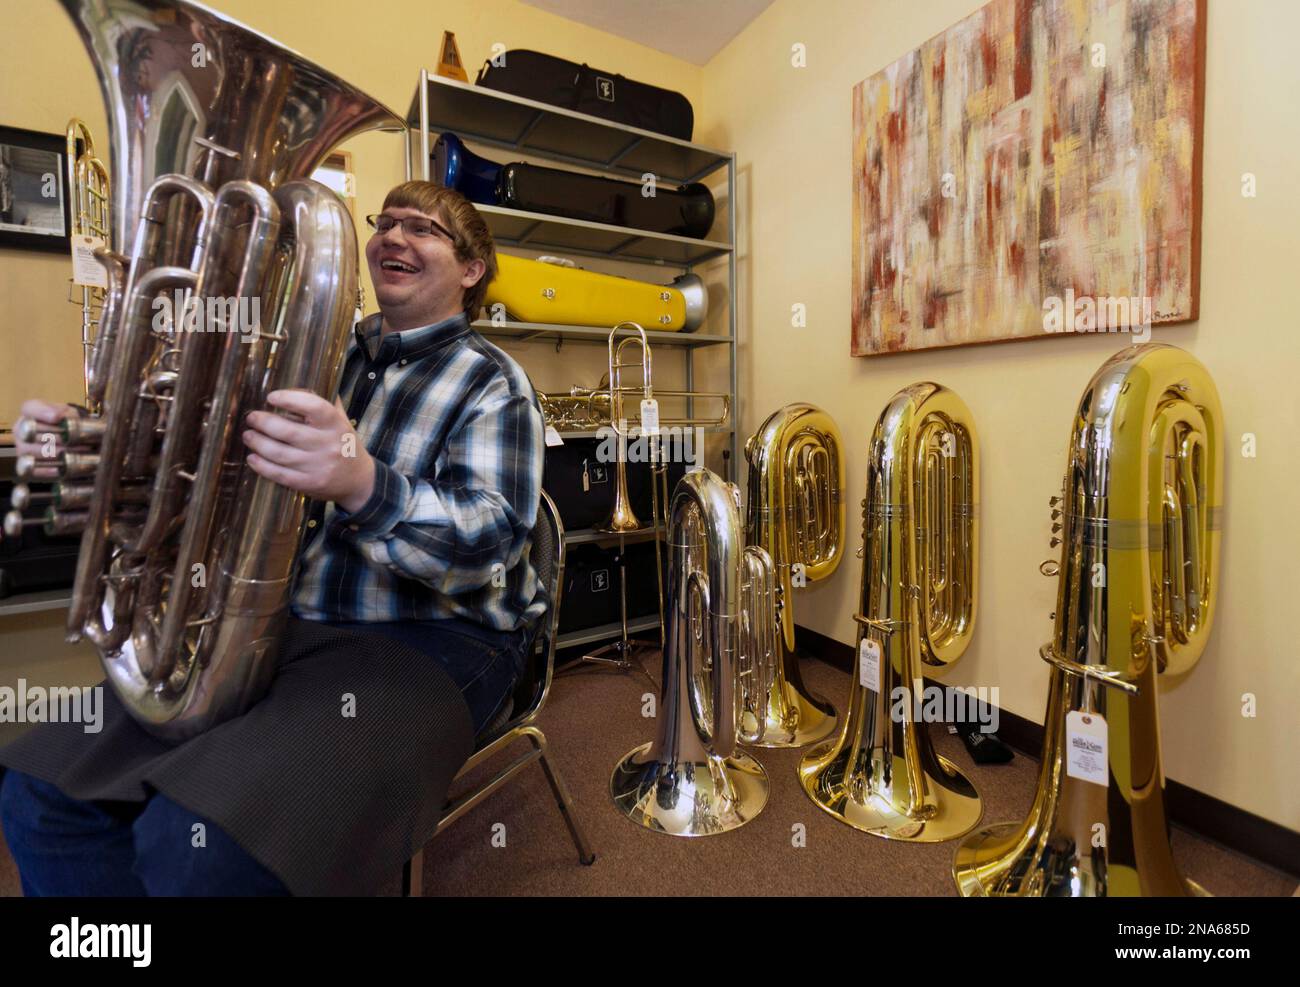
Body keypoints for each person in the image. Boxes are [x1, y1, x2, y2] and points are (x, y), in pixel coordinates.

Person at [0, 182, 547, 896]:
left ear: (472, 270)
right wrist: (98, 450)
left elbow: (493, 543)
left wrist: (361, 483)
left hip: (436, 638)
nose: (393, 237)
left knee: (202, 848)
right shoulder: (312, 355)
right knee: (41, 794)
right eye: (386, 222)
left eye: (425, 228)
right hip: (285, 623)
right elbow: (204, 453)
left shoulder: (493, 381)